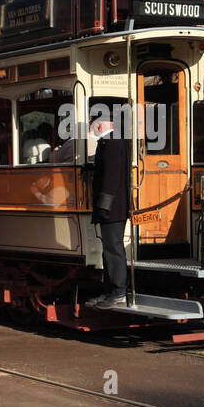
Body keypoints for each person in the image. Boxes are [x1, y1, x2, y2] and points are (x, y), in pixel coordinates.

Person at [89, 114, 130, 308]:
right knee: (109, 249)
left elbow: (111, 178)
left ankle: (118, 291)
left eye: (95, 124)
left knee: (113, 248)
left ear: (101, 126)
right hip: (112, 207)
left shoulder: (112, 142)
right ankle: (110, 291)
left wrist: (104, 205)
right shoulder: (111, 141)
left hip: (112, 208)